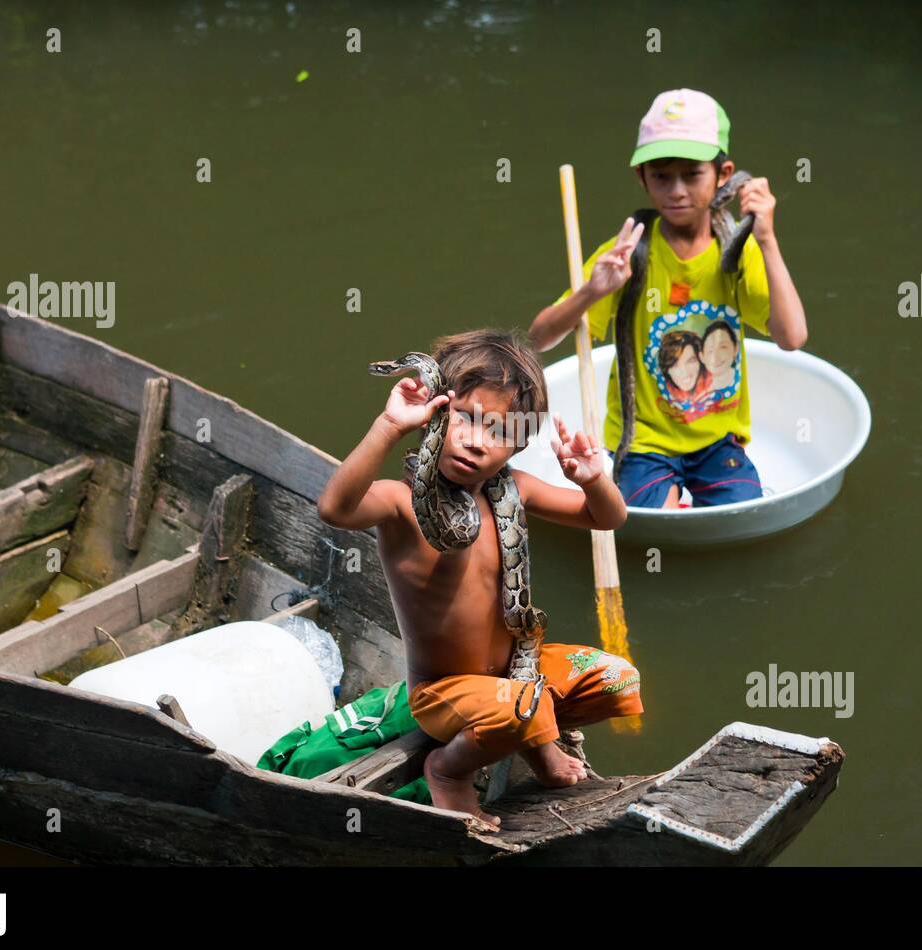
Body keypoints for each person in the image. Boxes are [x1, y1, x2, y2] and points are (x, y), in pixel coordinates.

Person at [316, 329, 643, 828]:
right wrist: (389, 425)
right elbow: (334, 509)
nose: (475, 440)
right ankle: (448, 770)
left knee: (620, 679)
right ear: (437, 412)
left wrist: (593, 477)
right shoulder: (402, 504)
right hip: (441, 691)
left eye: (498, 431)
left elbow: (606, 518)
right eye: (465, 418)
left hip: (519, 675)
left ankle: (534, 741)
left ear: (516, 447)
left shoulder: (514, 491)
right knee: (523, 706)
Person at [529, 88, 808, 509]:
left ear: (722, 173)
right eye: (661, 176)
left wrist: (766, 238)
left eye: (692, 174)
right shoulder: (626, 252)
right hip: (643, 442)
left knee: (736, 513)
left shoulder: (737, 248)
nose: (676, 190)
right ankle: (667, 496)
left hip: (718, 442)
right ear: (641, 178)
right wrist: (592, 291)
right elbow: (538, 339)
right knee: (654, 520)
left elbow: (792, 337)